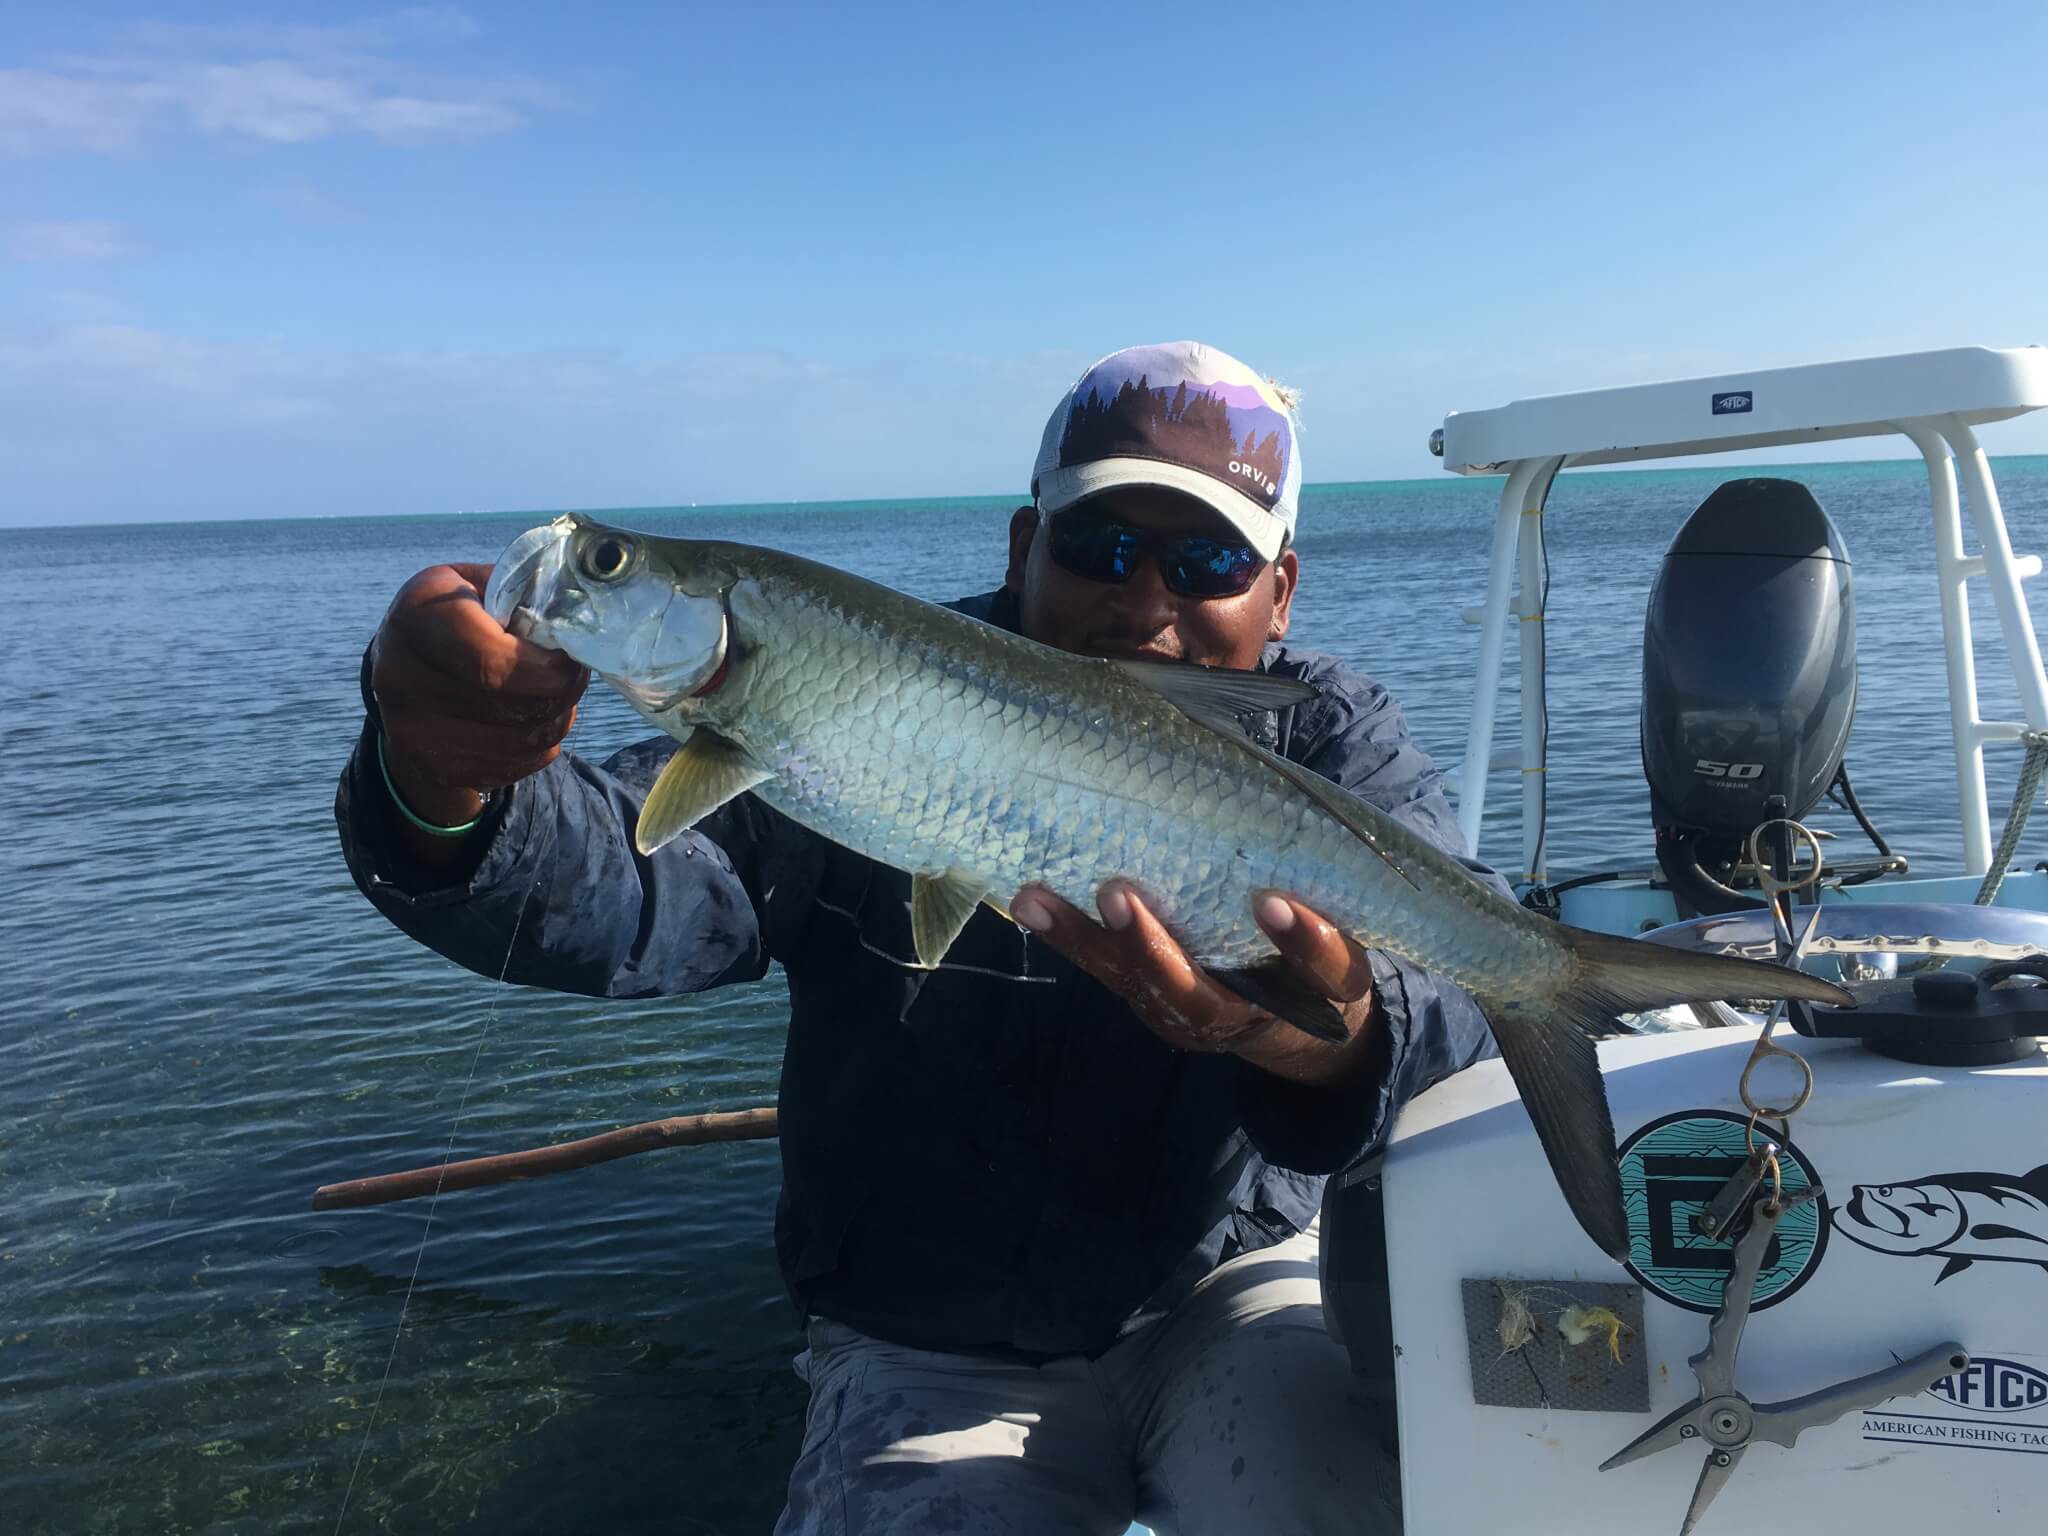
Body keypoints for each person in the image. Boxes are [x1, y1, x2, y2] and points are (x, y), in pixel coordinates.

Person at [337, 340, 1501, 1535]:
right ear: (1019, 548)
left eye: (1206, 561)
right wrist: (441, 785)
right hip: (922, 1339)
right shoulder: (868, 701)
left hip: (1225, 1288)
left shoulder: (1323, 737)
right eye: (1102, 547)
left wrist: (1329, 1036)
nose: (1145, 601)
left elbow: (1460, 996)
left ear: (1280, 592)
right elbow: (623, 892)